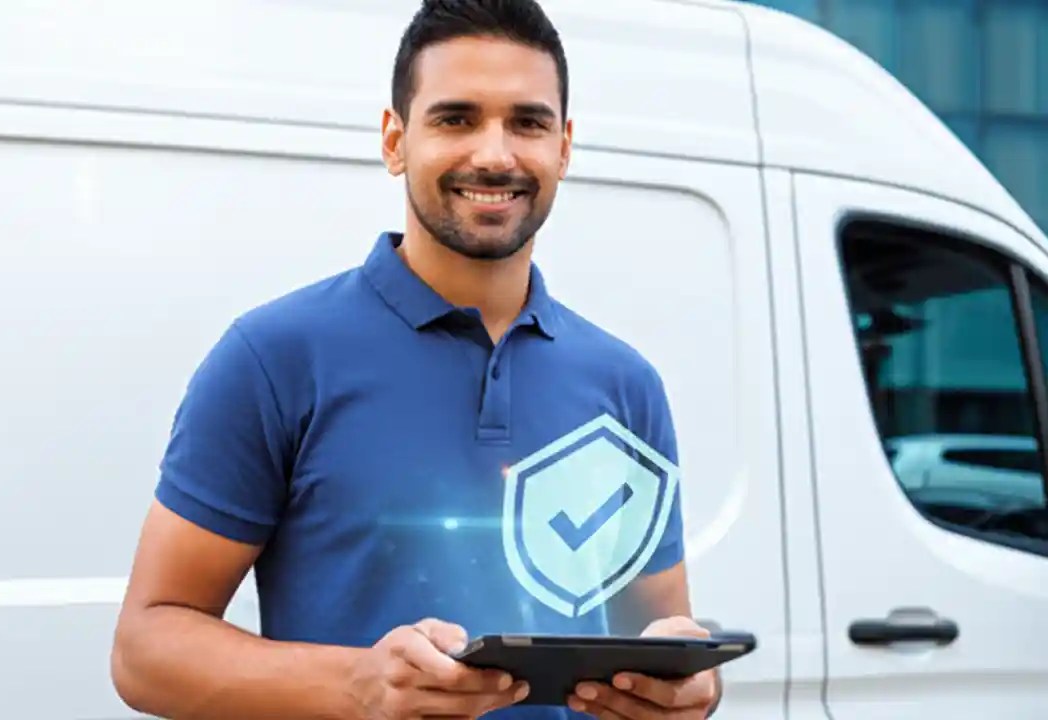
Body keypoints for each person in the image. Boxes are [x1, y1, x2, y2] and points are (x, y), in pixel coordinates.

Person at [111, 1, 722, 718]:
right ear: (395, 140)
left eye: (527, 122)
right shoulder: (274, 358)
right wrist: (358, 684)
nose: (494, 155)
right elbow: (145, 650)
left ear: (564, 147)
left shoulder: (625, 385)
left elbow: (653, 638)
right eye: (456, 118)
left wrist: (689, 688)